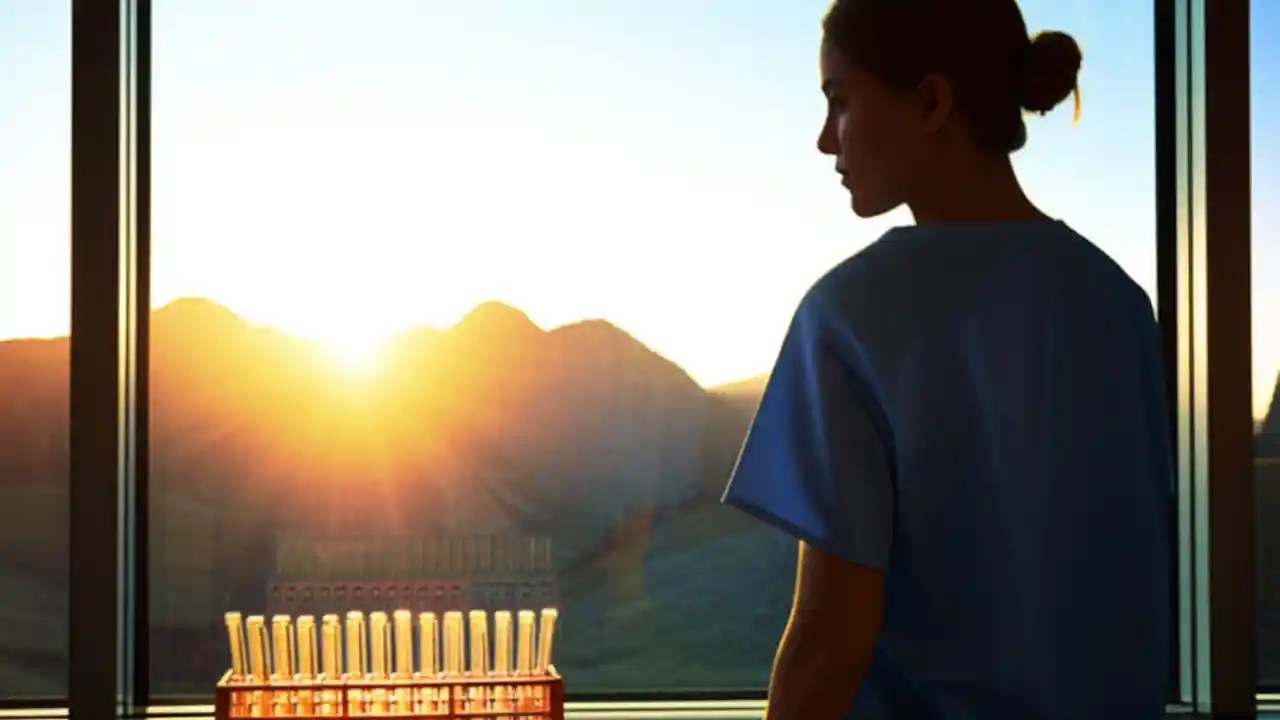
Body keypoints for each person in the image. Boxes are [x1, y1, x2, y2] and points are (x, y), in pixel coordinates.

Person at [720, 0, 1173, 717]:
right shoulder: (1121, 305)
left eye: (840, 102)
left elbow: (828, 645)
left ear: (932, 101)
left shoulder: (849, 316)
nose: (823, 140)